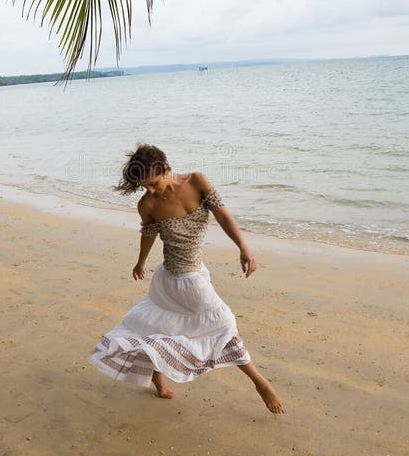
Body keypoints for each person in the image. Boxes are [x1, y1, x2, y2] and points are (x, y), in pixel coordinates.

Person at [89, 145, 284, 414]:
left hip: (196, 274)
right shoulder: (147, 204)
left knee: (167, 329)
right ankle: (260, 383)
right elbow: (149, 234)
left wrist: (244, 248)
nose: (152, 191)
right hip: (173, 279)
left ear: (164, 168)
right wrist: (141, 261)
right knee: (223, 323)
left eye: (154, 183)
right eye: (145, 187)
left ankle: (157, 376)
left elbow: (223, 215)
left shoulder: (197, 181)